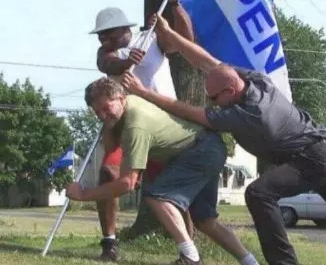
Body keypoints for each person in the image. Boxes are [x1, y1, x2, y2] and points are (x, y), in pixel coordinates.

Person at [121, 14, 326, 265]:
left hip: (311, 158)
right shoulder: (256, 81)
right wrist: (171, 34)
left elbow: (189, 112)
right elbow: (207, 62)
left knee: (259, 193)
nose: (212, 102)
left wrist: (143, 92)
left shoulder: (249, 114)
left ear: (229, 90)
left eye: (214, 98)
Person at [66, 78, 259, 265]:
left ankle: (191, 258)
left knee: (157, 196)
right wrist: (108, 120)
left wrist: (83, 194)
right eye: (96, 111)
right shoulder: (129, 105)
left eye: (106, 108)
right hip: (207, 146)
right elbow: (110, 148)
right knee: (204, 220)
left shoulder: (135, 125)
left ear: (121, 98)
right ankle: (250, 261)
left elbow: (127, 183)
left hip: (201, 149)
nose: (101, 115)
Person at [89, 0, 195, 261]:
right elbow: (107, 64)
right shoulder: (107, 54)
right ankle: (109, 243)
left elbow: (186, 41)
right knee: (109, 173)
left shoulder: (151, 38)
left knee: (170, 192)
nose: (104, 40)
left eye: (109, 34)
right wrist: (126, 62)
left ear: (126, 29)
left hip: (162, 123)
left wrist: (173, 4)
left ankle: (188, 249)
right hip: (129, 125)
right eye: (101, 36)